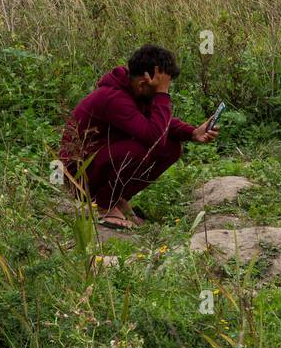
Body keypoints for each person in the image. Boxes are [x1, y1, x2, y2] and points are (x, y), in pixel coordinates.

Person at [60, 44, 217, 229]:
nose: (165, 91)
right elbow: (154, 138)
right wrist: (162, 94)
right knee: (143, 148)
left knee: (171, 148)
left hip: (98, 160)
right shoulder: (114, 98)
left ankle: (117, 197)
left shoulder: (134, 92)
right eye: (163, 86)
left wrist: (191, 132)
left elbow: (153, 122)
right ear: (144, 83)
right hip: (78, 174)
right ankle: (103, 204)